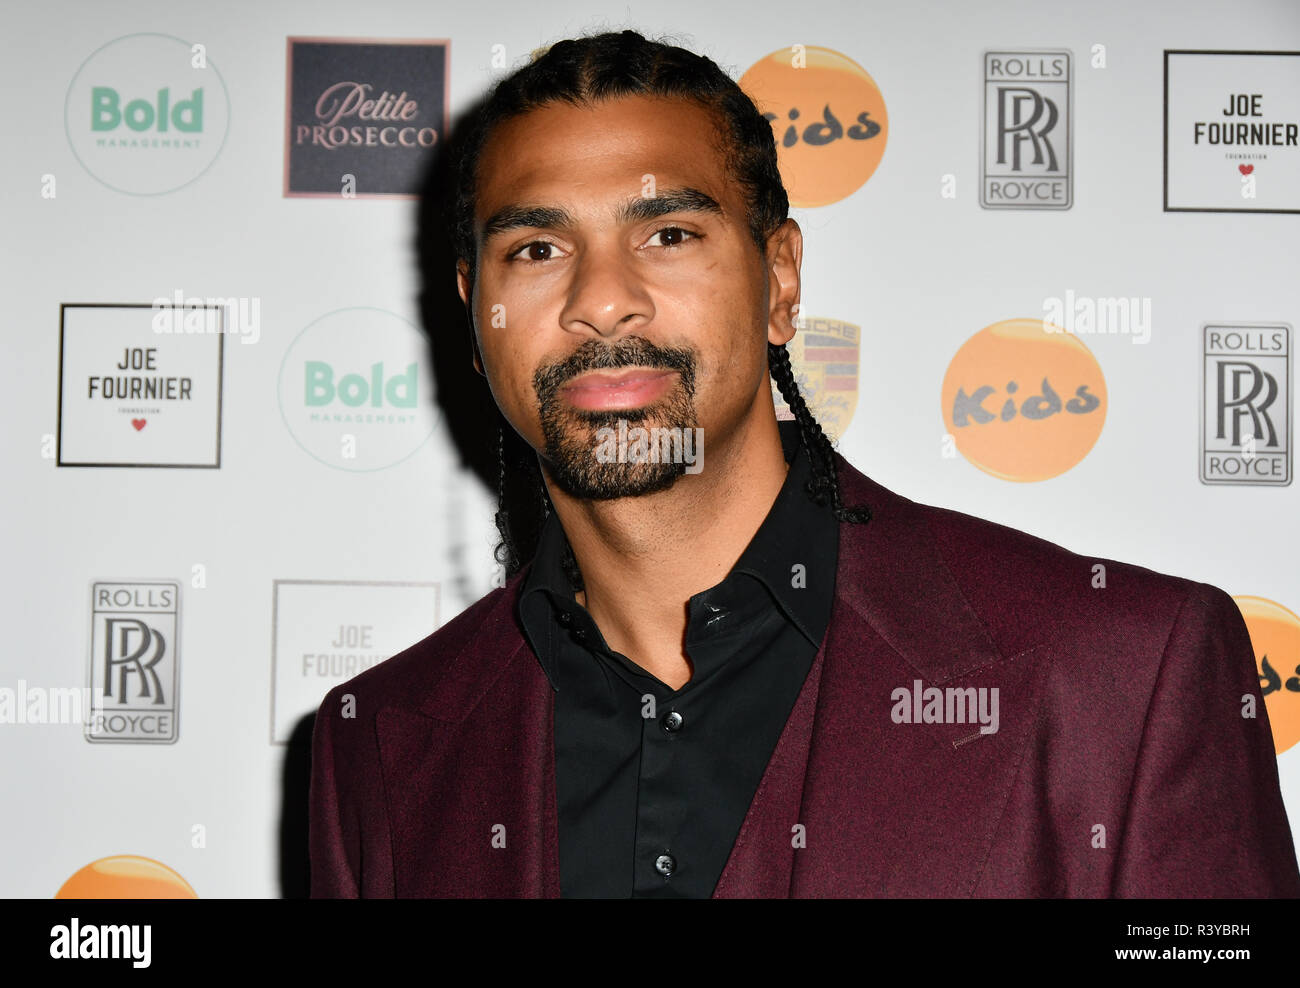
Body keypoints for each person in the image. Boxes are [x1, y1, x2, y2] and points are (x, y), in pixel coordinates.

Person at [309, 29, 1300, 897]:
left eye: (666, 233)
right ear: (472, 309)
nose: (601, 300)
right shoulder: (378, 743)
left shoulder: (1125, 679)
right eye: (534, 249)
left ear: (780, 280)